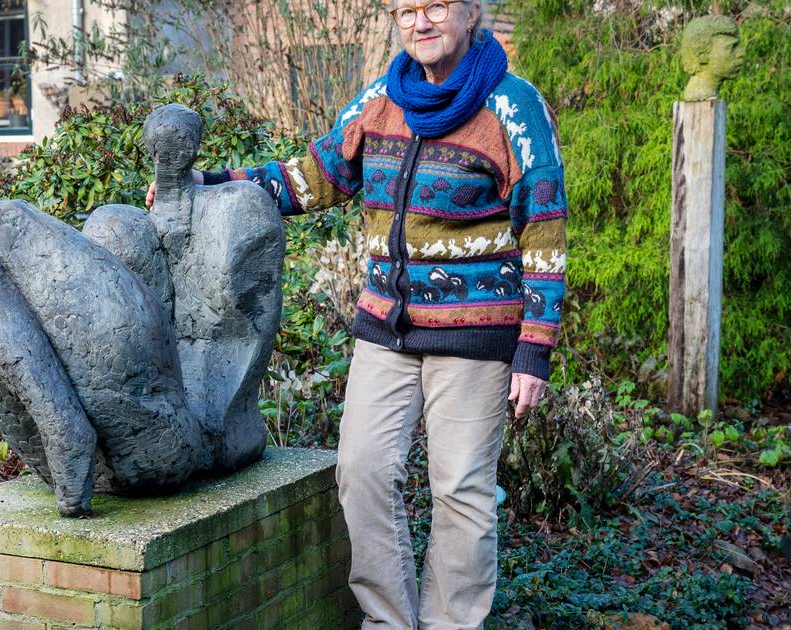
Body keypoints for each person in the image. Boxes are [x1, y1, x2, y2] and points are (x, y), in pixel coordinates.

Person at [149, 0, 566, 625]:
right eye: (405, 10)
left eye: (435, 8)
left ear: (472, 12)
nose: (419, 23)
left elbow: (545, 229)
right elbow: (314, 176)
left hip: (477, 336)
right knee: (363, 473)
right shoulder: (380, 98)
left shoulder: (513, 106)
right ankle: (388, 621)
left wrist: (534, 347)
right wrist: (210, 183)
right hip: (386, 330)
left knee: (460, 492)